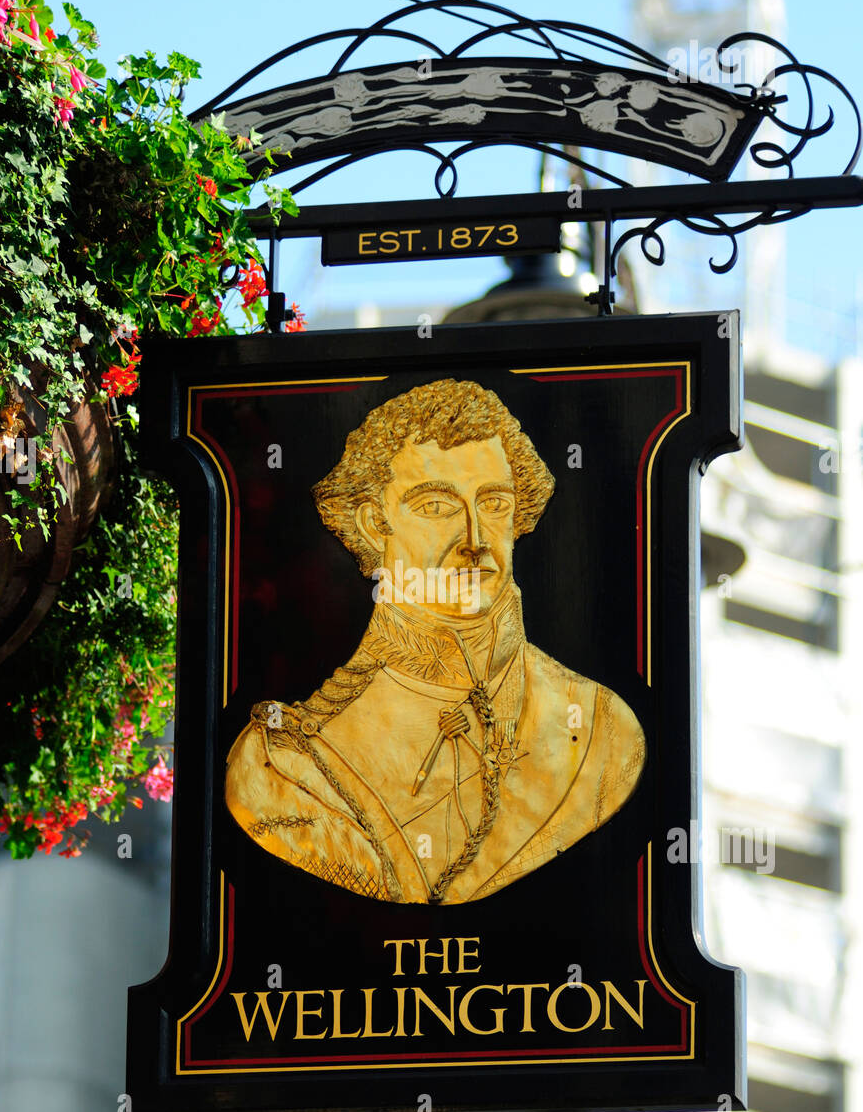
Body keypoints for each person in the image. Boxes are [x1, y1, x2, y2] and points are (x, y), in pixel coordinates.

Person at [225, 378, 645, 904]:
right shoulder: (285, 765)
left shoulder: (604, 729)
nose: (474, 539)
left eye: (494, 503)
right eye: (436, 507)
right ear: (373, 522)